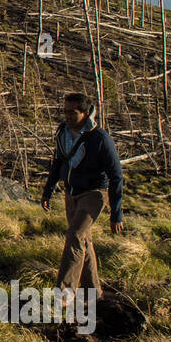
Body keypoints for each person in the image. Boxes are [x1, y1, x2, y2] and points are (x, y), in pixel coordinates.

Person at [40, 92, 125, 309]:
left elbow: (116, 175)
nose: (68, 116)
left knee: (75, 236)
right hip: (71, 193)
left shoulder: (100, 139)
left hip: (94, 194)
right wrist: (48, 190)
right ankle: (93, 293)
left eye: (73, 112)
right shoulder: (63, 133)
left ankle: (63, 296)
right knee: (83, 241)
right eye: (66, 111)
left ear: (86, 113)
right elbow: (58, 163)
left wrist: (116, 214)